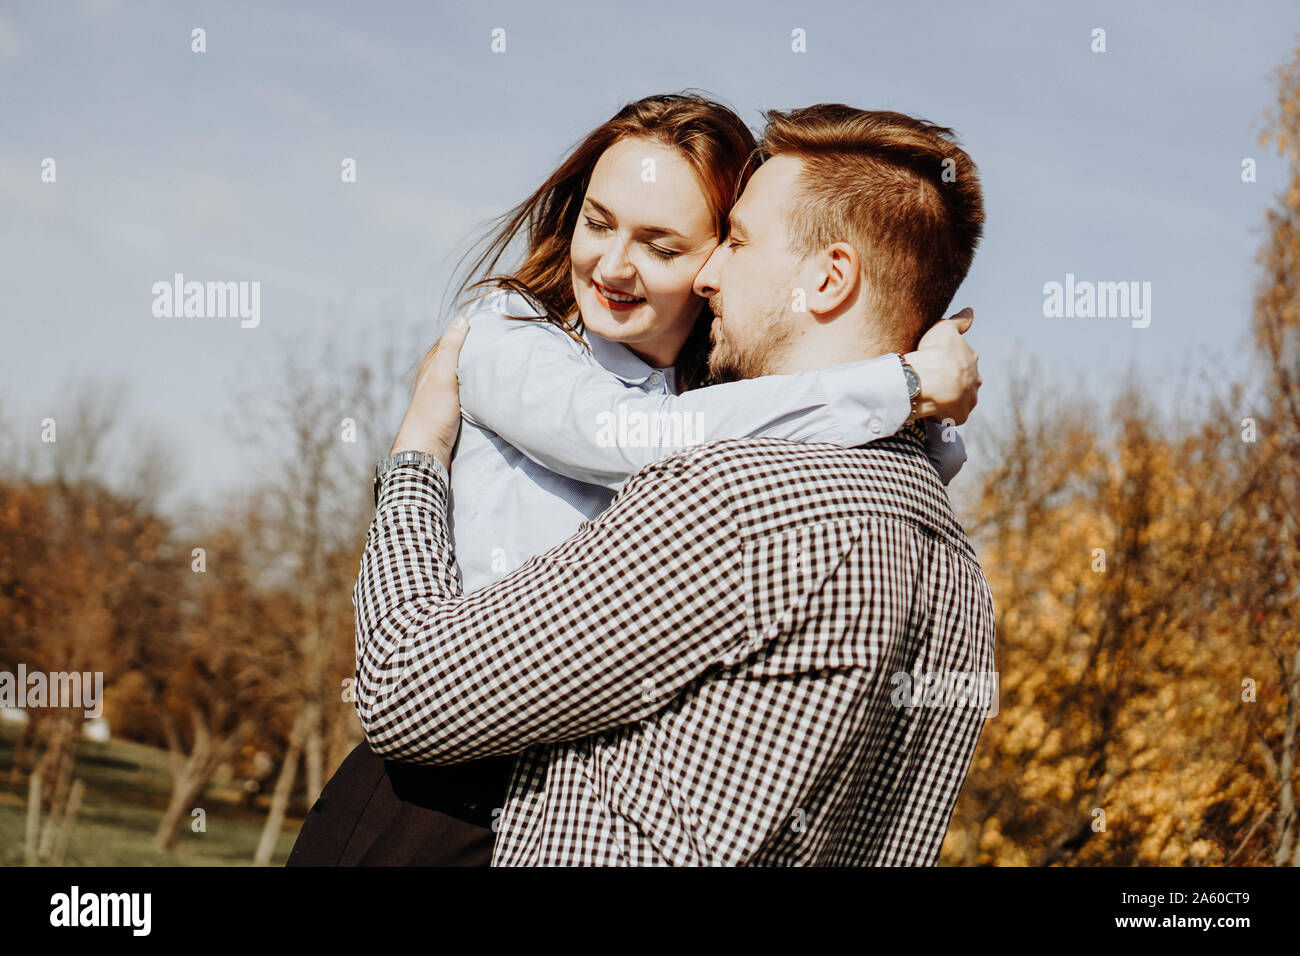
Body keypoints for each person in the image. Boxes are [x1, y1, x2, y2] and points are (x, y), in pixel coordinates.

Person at [287, 93, 979, 866]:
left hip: (464, 760)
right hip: (429, 785)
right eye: (598, 221)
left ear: (828, 280)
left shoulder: (731, 486)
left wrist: (414, 461)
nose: (710, 272)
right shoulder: (954, 568)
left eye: (726, 243)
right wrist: (904, 386)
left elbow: (405, 690)